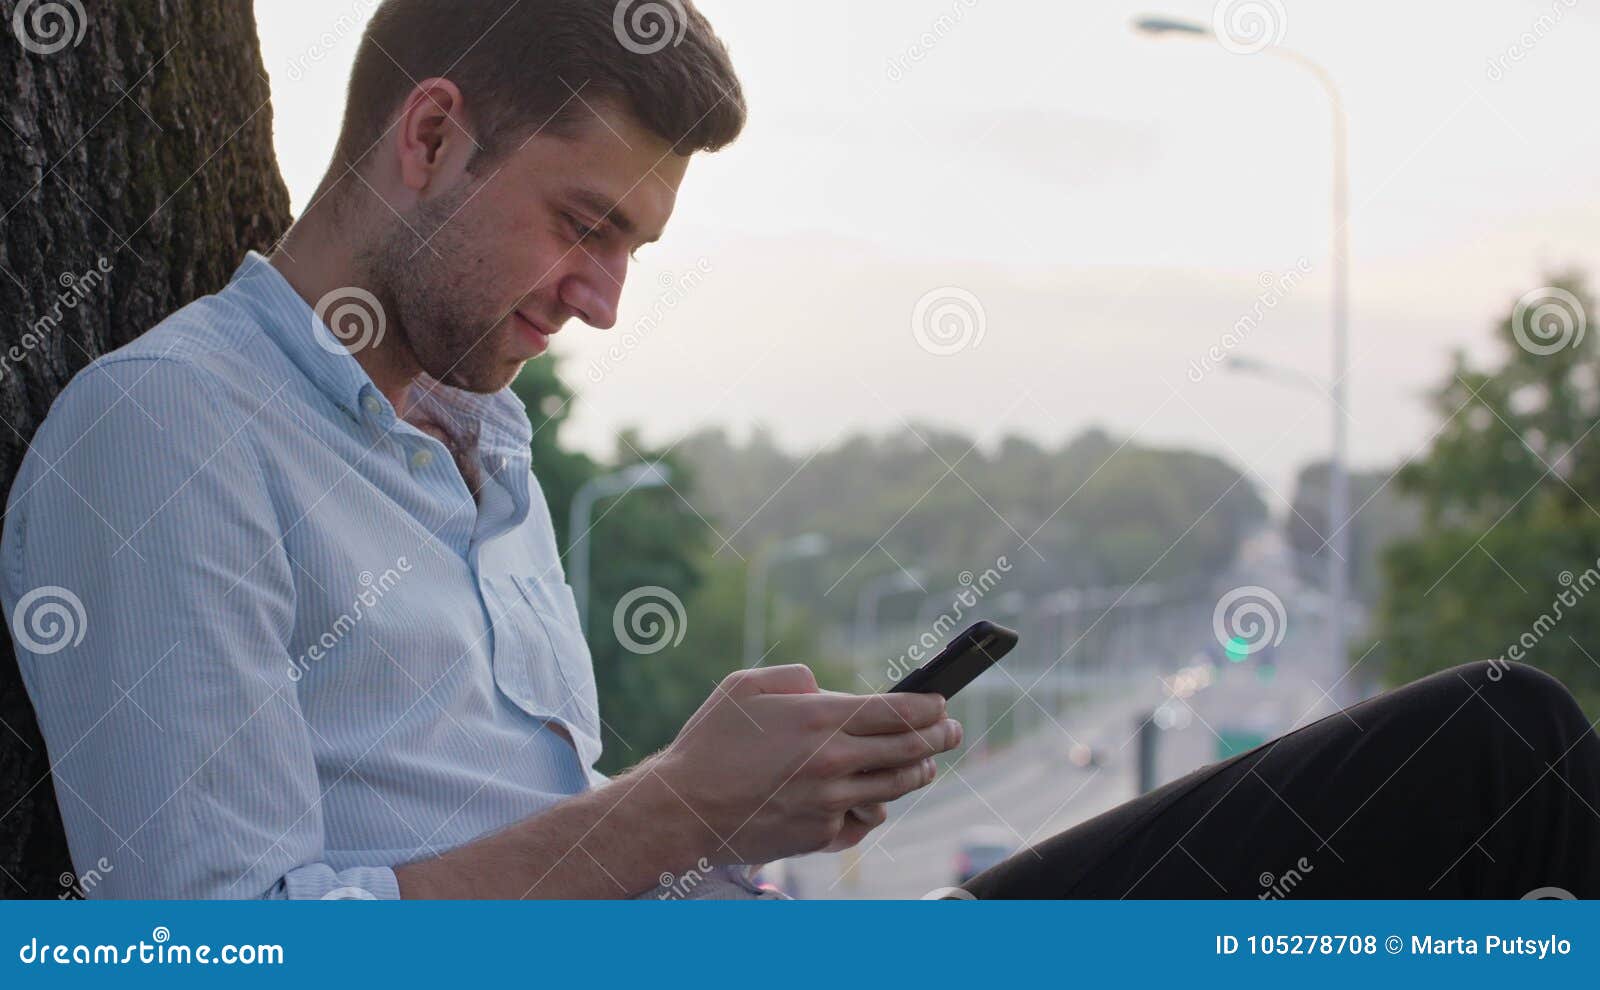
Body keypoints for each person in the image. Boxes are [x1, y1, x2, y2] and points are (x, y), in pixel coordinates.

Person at [1, 0, 1594, 901]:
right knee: (1496, 760)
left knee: (1491, 759)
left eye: (632, 245)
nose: (606, 300)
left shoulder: (480, 441)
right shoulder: (170, 436)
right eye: (585, 224)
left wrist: (740, 806)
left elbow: (488, 835)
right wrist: (679, 805)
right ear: (427, 138)